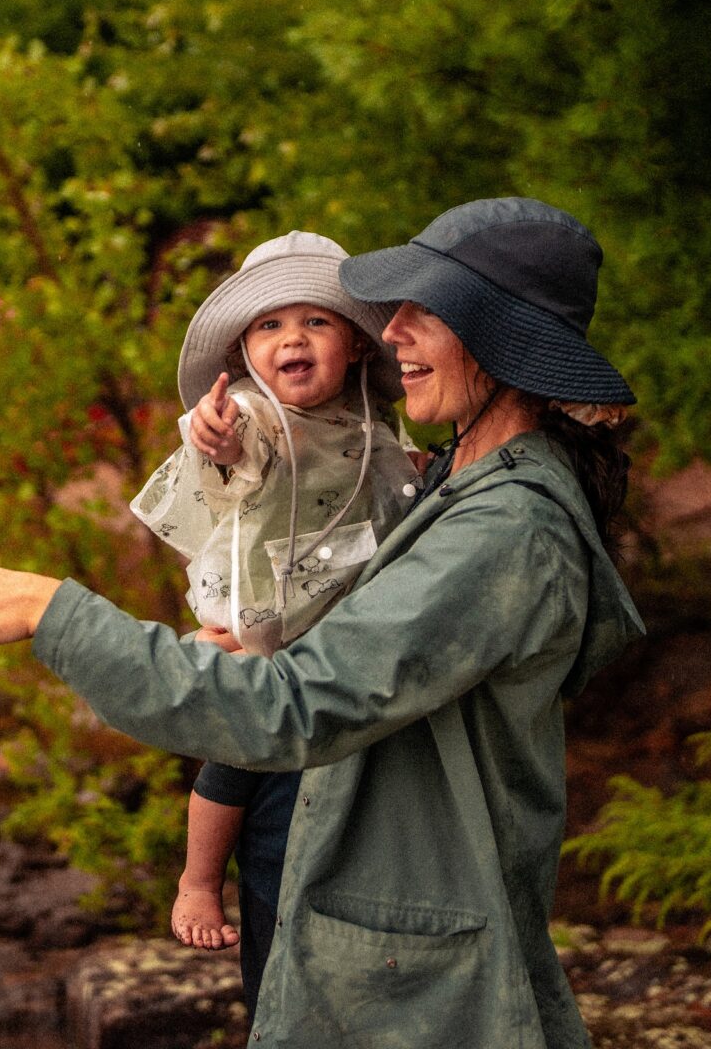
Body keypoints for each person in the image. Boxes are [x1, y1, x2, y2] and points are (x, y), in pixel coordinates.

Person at [0, 197, 646, 1047]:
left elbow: (296, 706)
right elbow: (335, 649)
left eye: (422, 311)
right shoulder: (455, 481)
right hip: (389, 955)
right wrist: (218, 652)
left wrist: (58, 615)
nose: (391, 332)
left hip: (418, 992)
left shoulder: (504, 529)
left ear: (496, 337)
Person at [127, 232, 417, 968]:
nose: (293, 338)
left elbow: (390, 493)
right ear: (243, 358)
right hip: (264, 620)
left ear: (354, 345)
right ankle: (197, 882)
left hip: (339, 622)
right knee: (238, 755)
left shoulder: (368, 424)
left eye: (316, 322)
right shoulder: (258, 417)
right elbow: (227, 448)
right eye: (270, 326)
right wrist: (213, 436)